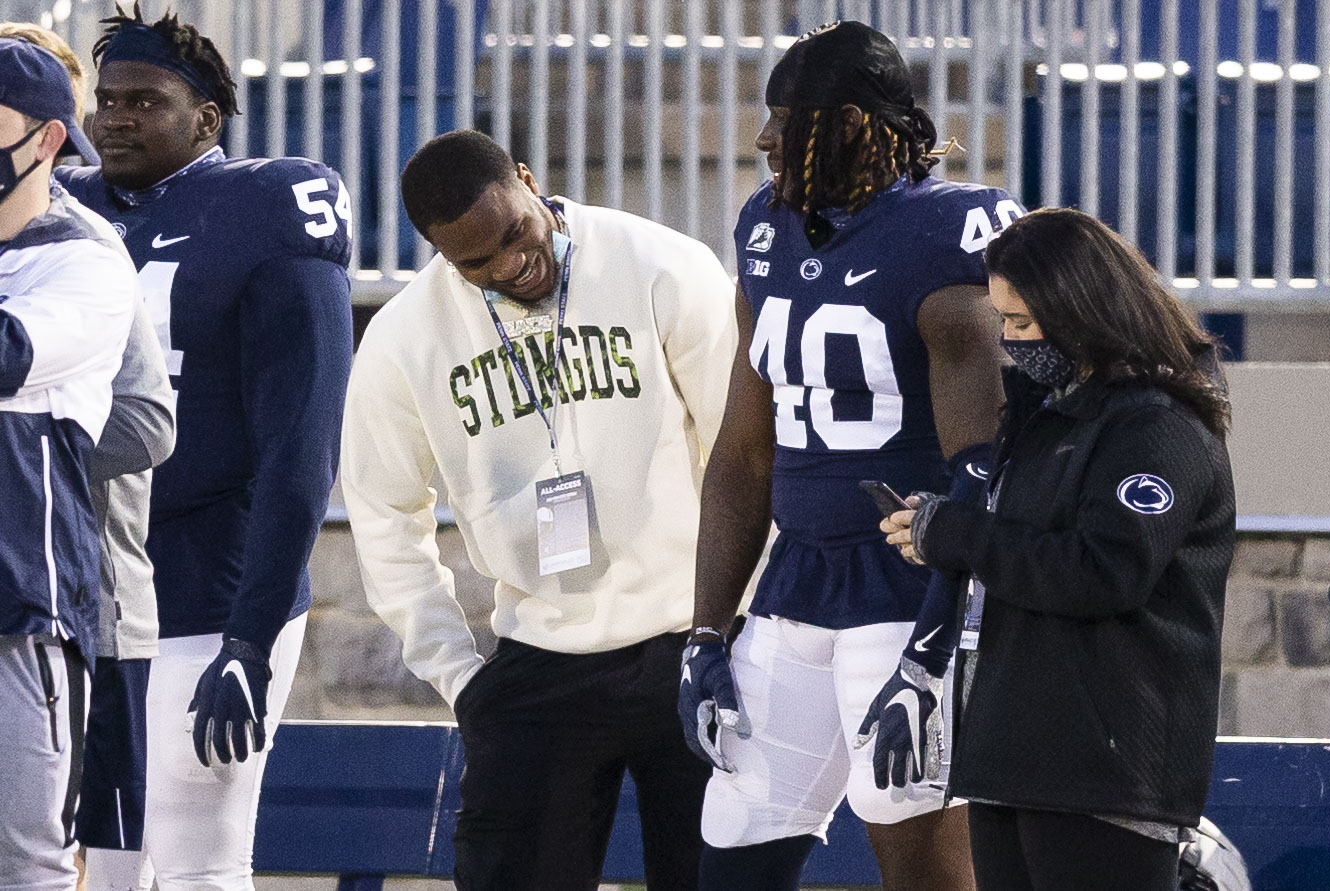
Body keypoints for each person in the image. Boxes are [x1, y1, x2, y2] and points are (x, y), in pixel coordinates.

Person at [340, 129, 736, 890]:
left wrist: (738, 624)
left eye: (515, 233)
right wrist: (459, 676)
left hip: (692, 641)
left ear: (528, 180)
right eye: (475, 263)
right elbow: (386, 512)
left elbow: (747, 456)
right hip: (538, 661)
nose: (508, 265)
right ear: (437, 250)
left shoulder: (661, 265)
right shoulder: (403, 339)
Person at [679, 20, 1021, 891]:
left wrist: (936, 646)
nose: (764, 140)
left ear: (858, 125)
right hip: (795, 588)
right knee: (730, 852)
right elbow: (745, 451)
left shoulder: (947, 232)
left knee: (919, 865)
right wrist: (706, 630)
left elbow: (980, 470)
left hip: (907, 587)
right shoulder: (766, 226)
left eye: (789, 119)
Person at [55, 6, 354, 889]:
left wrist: (250, 638)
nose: (114, 117)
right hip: (96, 589)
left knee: (198, 865)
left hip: (209, 584)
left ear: (206, 119)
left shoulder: (264, 207)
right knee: (106, 872)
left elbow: (300, 445)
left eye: (145, 101)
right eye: (106, 100)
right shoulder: (66, 206)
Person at [881, 207, 1235, 891]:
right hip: (1016, 757)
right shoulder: (1045, 415)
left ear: (1079, 309)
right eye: (1003, 322)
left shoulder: (1158, 427)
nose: (1009, 341)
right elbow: (1020, 547)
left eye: (1021, 322)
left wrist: (960, 535)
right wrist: (944, 528)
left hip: (1107, 774)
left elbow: (1104, 570)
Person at [1, 22, 178, 891]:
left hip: (43, 603)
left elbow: (143, 421)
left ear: (47, 141)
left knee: (57, 866)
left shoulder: (82, 255)